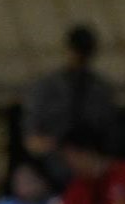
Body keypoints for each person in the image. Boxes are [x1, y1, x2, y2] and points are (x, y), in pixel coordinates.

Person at [22, 24, 117, 171]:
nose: (80, 57)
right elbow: (32, 138)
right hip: (52, 164)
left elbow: (108, 132)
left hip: (89, 165)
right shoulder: (47, 87)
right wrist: (57, 146)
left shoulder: (100, 90)